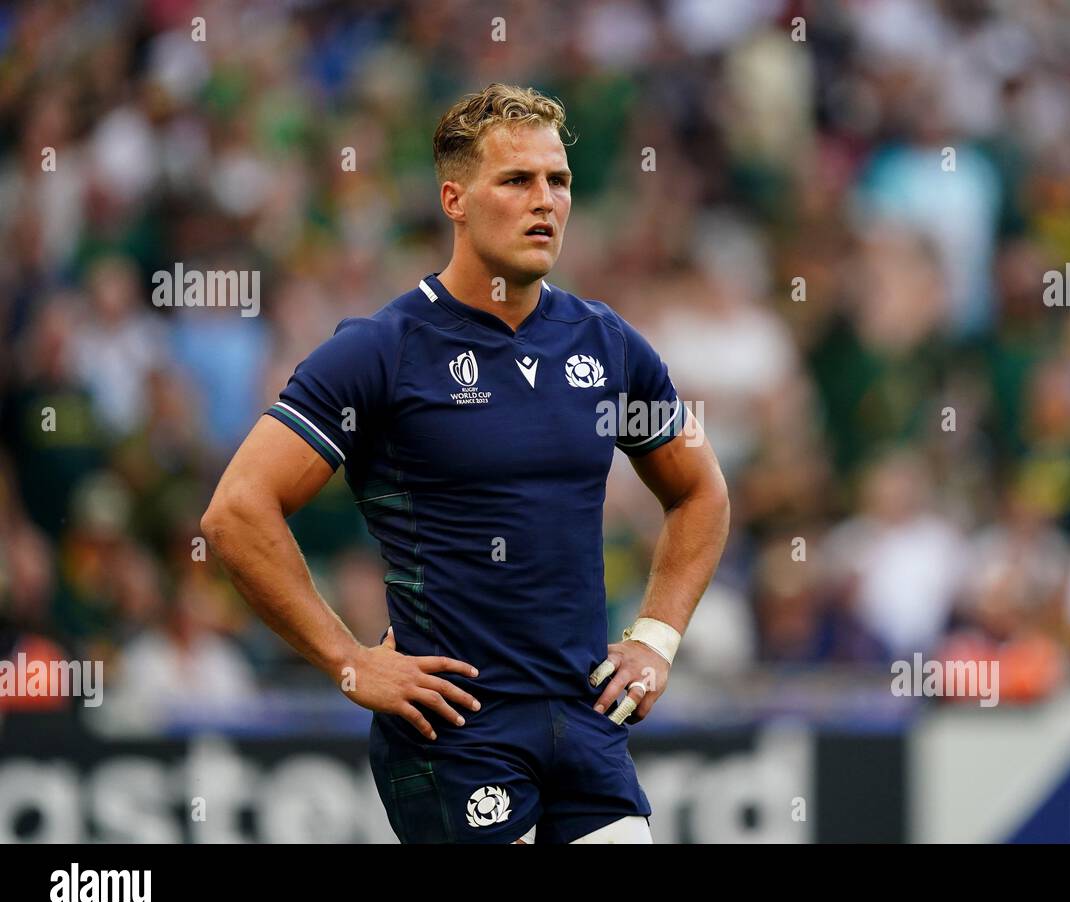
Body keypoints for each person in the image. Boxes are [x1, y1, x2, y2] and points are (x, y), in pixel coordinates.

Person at [201, 84, 730, 844]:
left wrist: (656, 637)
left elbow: (700, 491)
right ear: (454, 197)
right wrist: (348, 659)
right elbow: (237, 510)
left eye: (559, 181)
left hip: (584, 723)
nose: (544, 201)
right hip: (455, 732)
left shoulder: (606, 345)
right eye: (517, 181)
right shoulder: (381, 350)